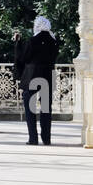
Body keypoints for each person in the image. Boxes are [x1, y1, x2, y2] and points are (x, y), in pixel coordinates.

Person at [13, 16, 59, 146]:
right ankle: (46, 138)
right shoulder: (54, 41)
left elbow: (23, 57)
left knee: (30, 109)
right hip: (48, 77)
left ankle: (33, 138)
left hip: (32, 77)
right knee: (45, 109)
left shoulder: (33, 41)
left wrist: (17, 44)